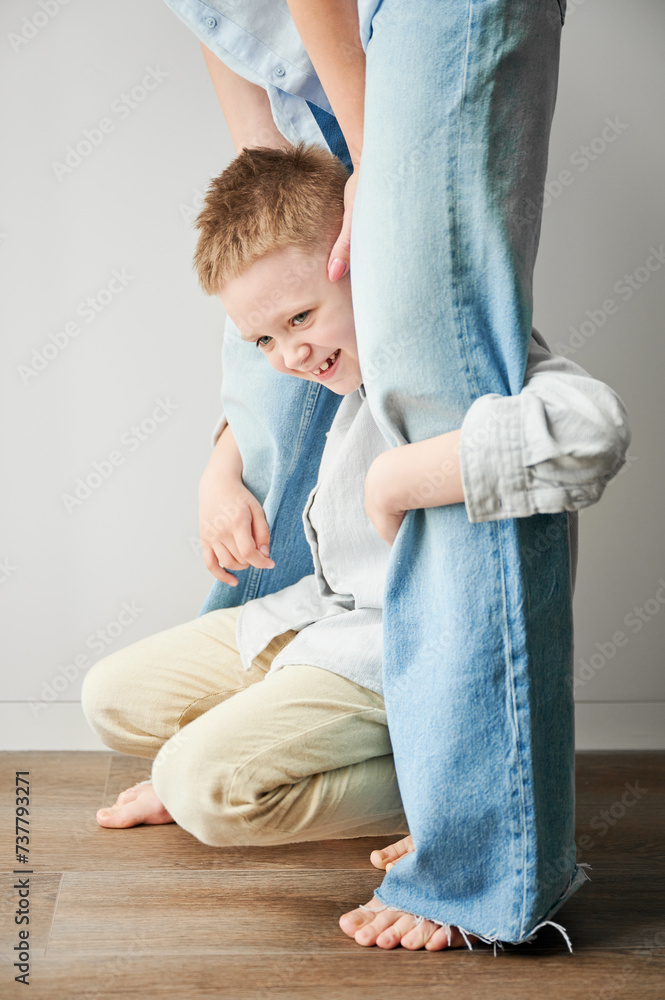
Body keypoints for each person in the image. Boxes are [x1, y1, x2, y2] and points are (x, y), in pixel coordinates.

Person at [82, 141, 630, 951]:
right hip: (322, 619)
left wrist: (398, 480)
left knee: (202, 791)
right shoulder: (337, 383)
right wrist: (219, 473)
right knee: (110, 697)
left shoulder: (462, 361)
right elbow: (268, 416)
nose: (290, 356)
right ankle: (243, 753)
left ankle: (453, 799)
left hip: (391, 651)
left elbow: (593, 430)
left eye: (299, 318)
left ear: (356, 257)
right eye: (264, 341)